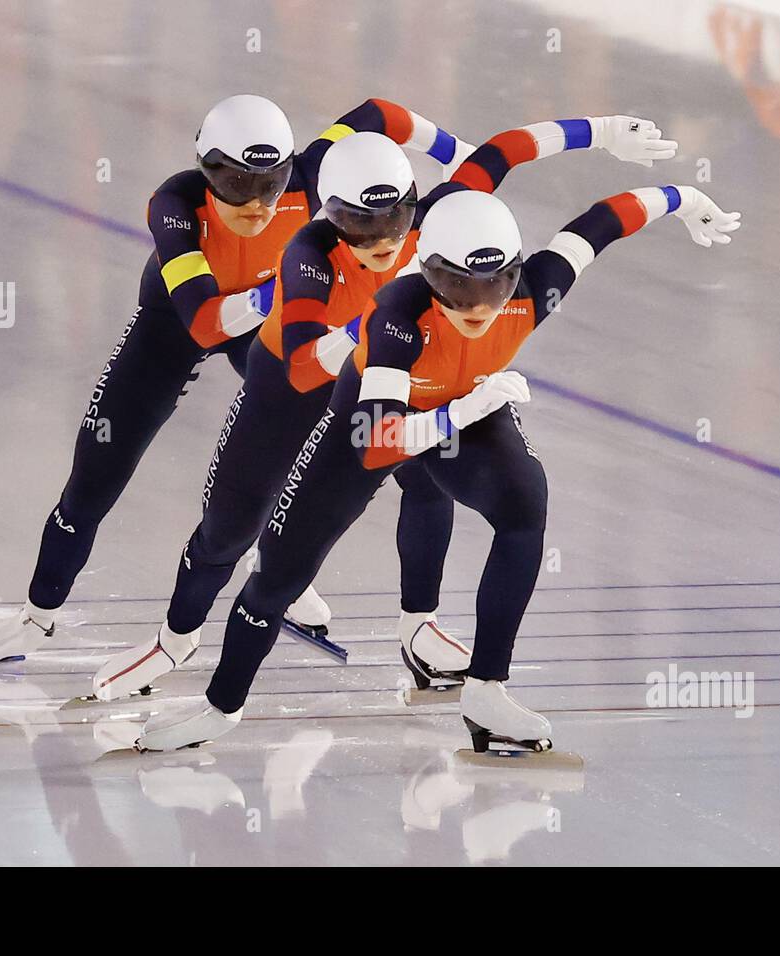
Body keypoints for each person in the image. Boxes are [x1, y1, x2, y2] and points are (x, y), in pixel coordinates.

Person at [136, 183, 741, 754]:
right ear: (428, 277)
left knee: (526, 502)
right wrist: (460, 412)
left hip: (464, 410)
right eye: (457, 289)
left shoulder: (536, 289)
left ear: (515, 274)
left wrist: (682, 198)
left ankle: (486, 691)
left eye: (493, 288)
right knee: (277, 576)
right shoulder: (398, 313)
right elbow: (378, 443)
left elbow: (601, 223)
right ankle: (220, 708)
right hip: (371, 423)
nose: (477, 306)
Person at [91, 115, 679, 702]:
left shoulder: (437, 219)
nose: (380, 240)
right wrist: (364, 330)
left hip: (384, 377)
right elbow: (300, 367)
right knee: (228, 532)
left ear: (414, 204)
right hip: (293, 388)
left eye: (394, 219)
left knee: (426, 480)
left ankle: (418, 626)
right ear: (329, 216)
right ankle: (175, 638)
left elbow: (503, 151)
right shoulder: (309, 256)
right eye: (356, 224)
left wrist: (602, 133)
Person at [0, 94, 474, 669]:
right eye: (238, 187)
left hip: (261, 331)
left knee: (332, 437)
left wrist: (458, 155)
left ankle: (285, 571)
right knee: (97, 469)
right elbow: (203, 320)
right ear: (206, 171)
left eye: (272, 183)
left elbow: (379, 115)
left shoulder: (316, 170)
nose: (259, 203)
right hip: (180, 322)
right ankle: (35, 617)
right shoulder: (175, 203)